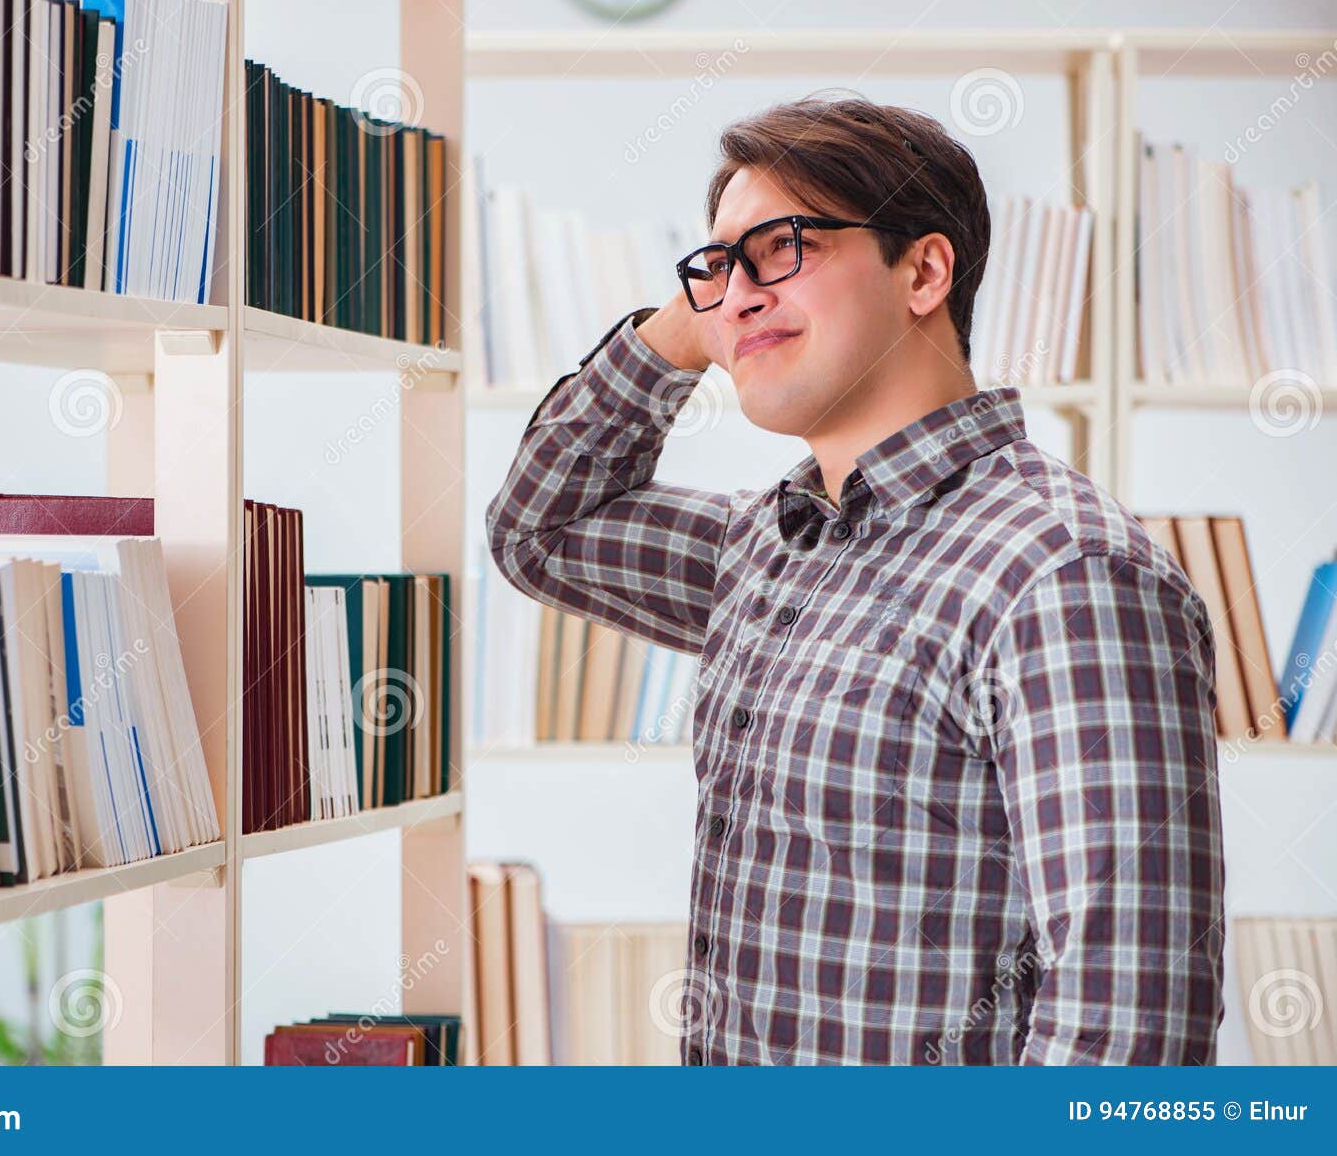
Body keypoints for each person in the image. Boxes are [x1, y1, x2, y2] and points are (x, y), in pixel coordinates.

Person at [484, 96, 1225, 1065]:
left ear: (922, 271)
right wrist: (694, 320)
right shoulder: (772, 543)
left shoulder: (1061, 574)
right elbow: (541, 529)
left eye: (786, 245)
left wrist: (735, 286)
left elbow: (1131, 1024)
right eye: (715, 265)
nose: (736, 294)